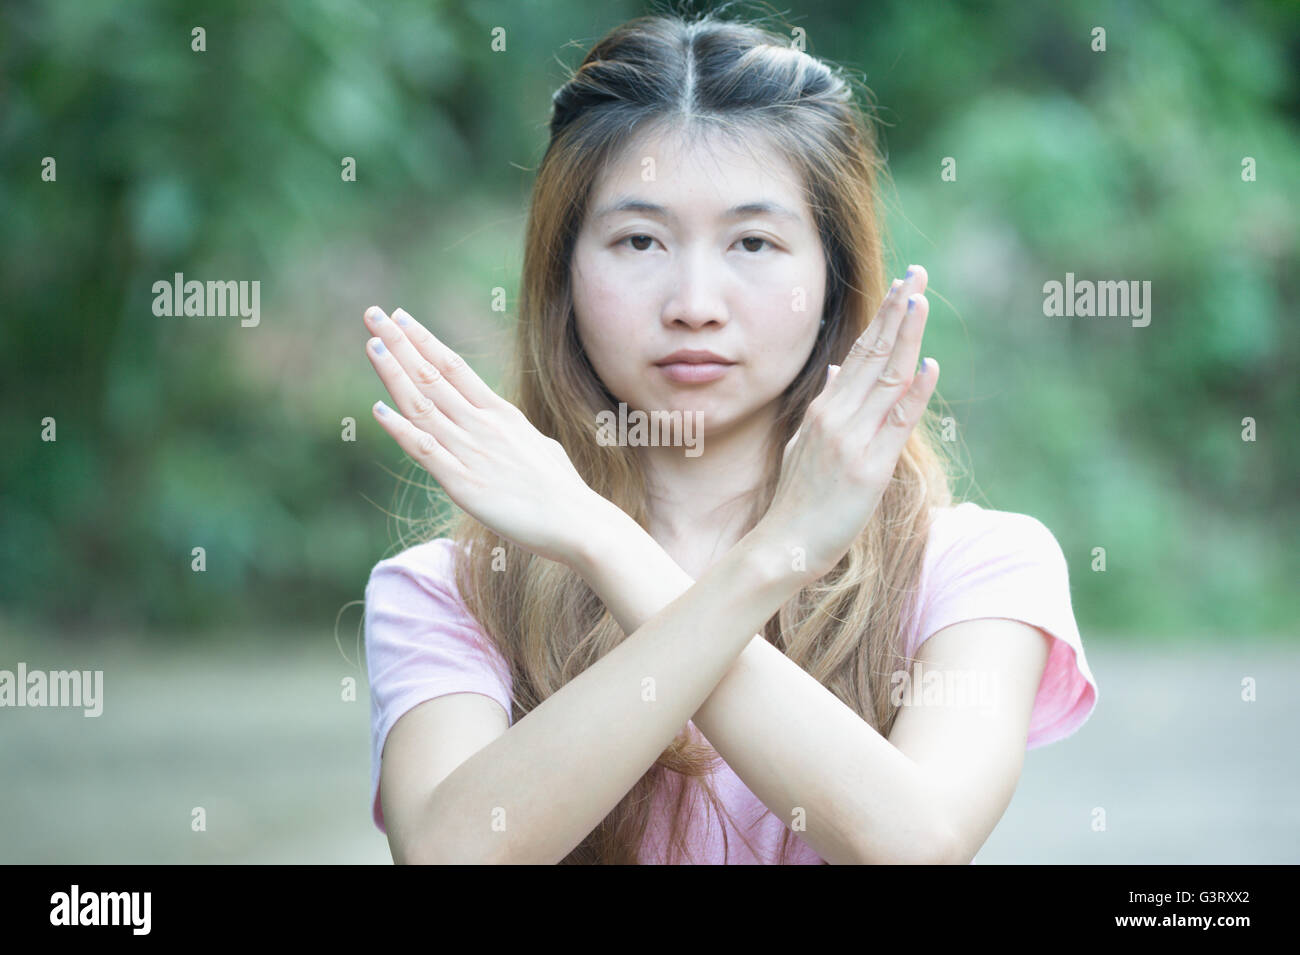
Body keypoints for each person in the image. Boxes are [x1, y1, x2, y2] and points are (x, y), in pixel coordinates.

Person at [359, 10, 1098, 864]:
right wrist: (716, 552)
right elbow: (452, 855)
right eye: (639, 240)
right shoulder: (450, 591)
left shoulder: (977, 568)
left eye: (753, 240)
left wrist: (619, 546)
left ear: (831, 276)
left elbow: (914, 846)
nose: (694, 300)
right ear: (563, 272)